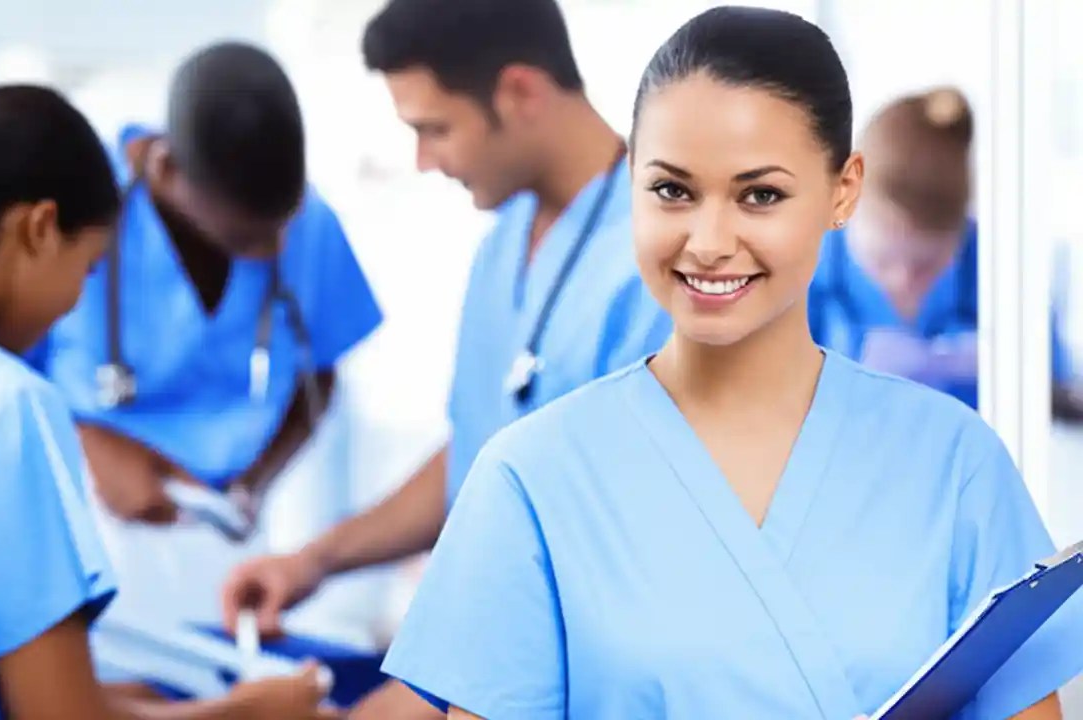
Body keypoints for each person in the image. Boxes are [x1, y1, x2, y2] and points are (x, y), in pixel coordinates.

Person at [377, 7, 1083, 719]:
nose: (709, 241)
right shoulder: (528, 480)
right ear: (632, 184)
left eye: (761, 195)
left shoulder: (955, 466)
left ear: (843, 191)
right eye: (672, 191)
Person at [0, 86, 337, 718]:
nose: (75, 304)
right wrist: (250, 713)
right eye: (87, 269)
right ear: (39, 229)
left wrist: (126, 705)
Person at [222, 0, 672, 715]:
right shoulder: (503, 244)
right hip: (477, 665)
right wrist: (314, 562)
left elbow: (632, 554)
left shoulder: (662, 262)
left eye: (435, 129)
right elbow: (479, 455)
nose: (423, 160)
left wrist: (431, 693)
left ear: (520, 91)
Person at [27, 41, 382, 528]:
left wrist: (252, 484)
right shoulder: (78, 205)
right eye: (247, 237)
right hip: (84, 507)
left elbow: (317, 374)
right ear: (167, 171)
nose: (276, 249)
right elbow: (3, 368)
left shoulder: (310, 222)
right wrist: (87, 441)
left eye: (283, 226)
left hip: (219, 525)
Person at [808, 87, 1082, 417]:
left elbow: (1063, 410)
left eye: (927, 264)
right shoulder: (795, 276)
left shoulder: (1003, 277)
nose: (903, 280)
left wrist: (1001, 371)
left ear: (961, 234)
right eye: (883, 260)